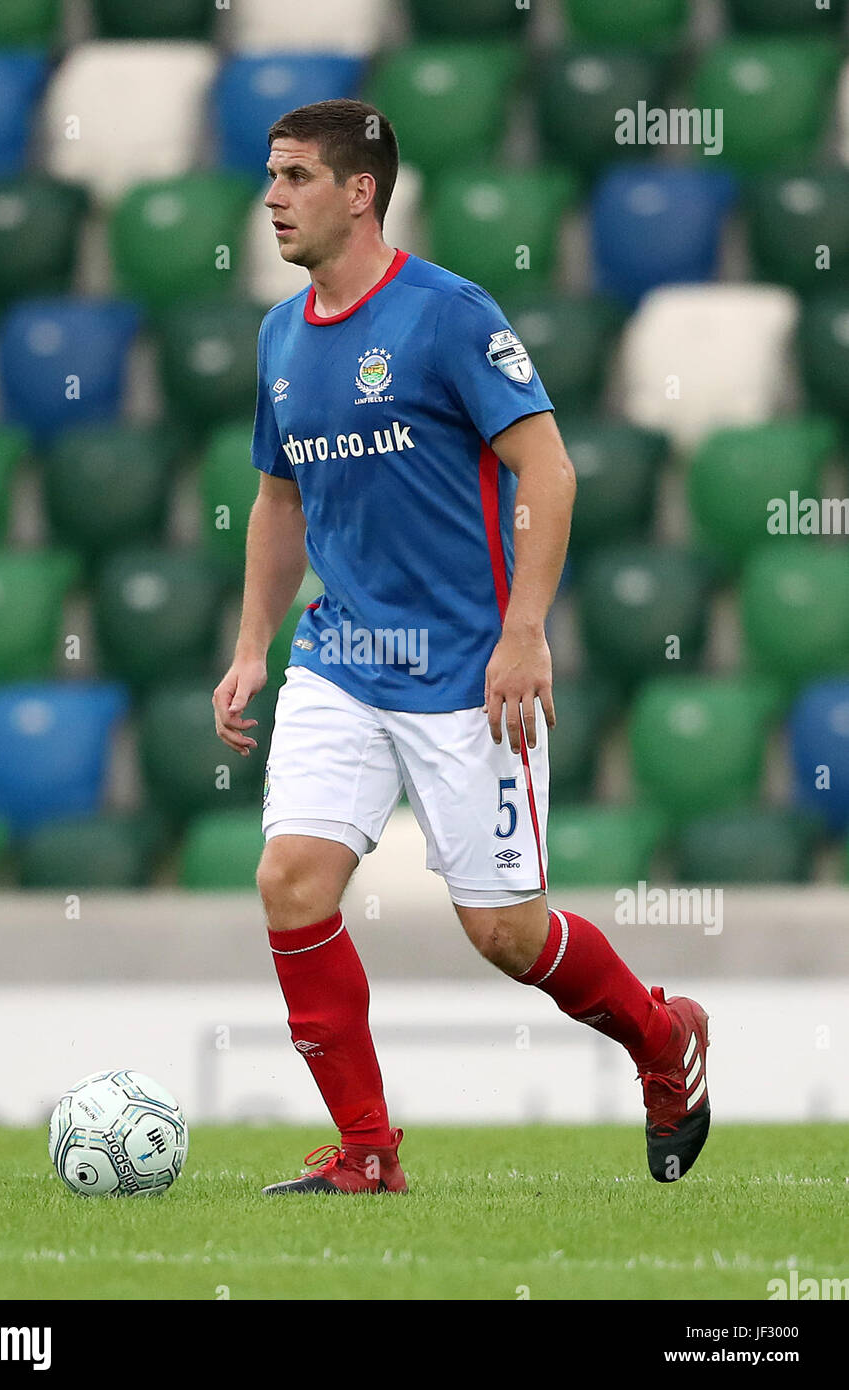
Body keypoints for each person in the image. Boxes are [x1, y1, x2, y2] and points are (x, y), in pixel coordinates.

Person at [212, 99, 709, 1194]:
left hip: (463, 675)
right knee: (291, 881)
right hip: (339, 657)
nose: (272, 197)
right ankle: (368, 1153)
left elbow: (550, 471)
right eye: (271, 174)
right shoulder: (280, 334)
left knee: (505, 933)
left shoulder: (448, 315)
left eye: (295, 175)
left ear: (359, 191)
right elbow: (276, 500)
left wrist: (525, 631)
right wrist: (254, 645)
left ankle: (661, 1037)